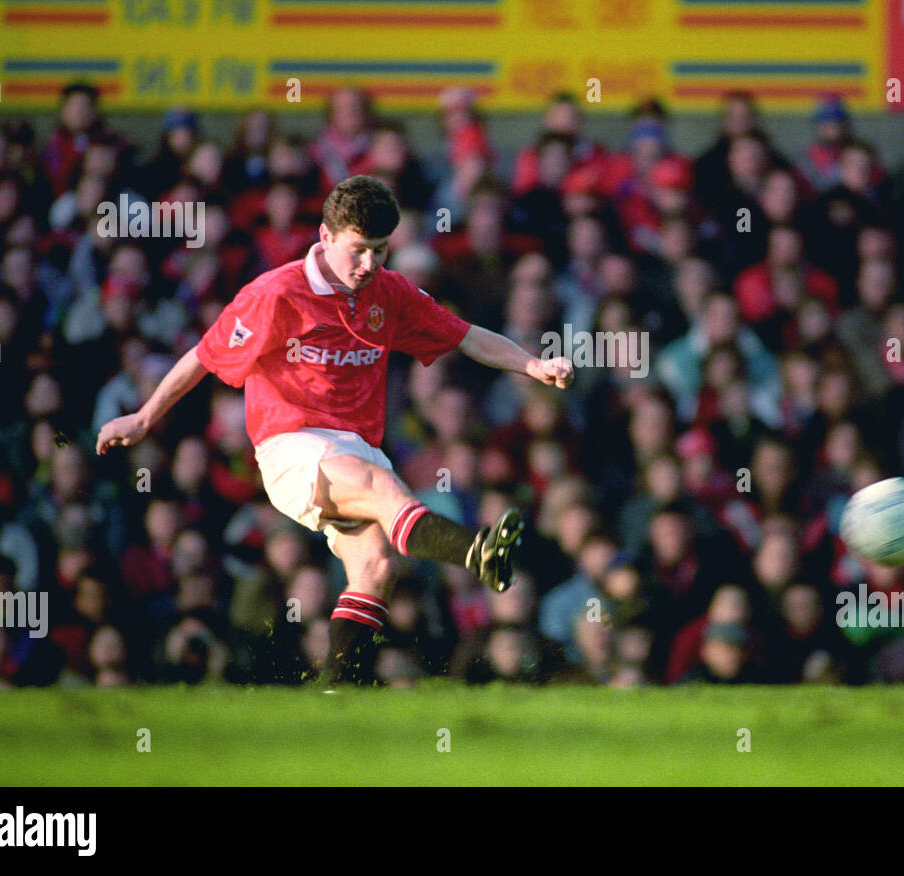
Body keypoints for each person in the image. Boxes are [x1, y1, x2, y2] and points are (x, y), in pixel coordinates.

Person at [96, 175, 574, 685]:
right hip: (291, 445)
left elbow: (466, 336)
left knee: (376, 567)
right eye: (359, 250)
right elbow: (205, 354)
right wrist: (145, 416)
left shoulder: (389, 292)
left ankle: (336, 694)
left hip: (357, 447)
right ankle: (477, 554)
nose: (369, 264)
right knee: (384, 489)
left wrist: (531, 366)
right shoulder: (276, 293)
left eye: (381, 251)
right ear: (325, 236)